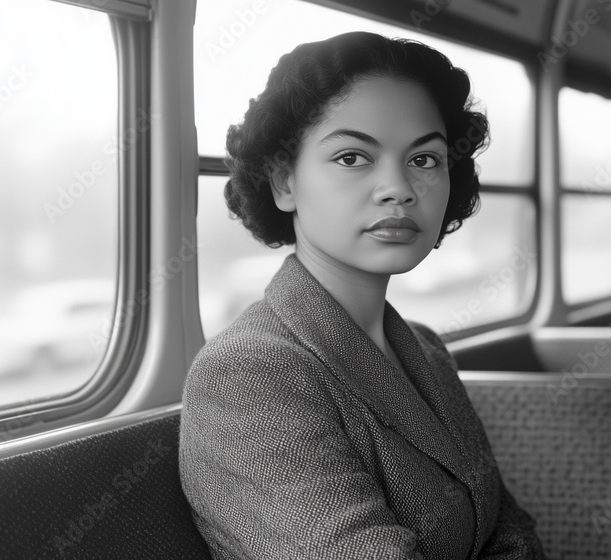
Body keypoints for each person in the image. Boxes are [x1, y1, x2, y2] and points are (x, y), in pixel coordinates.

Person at [179, 31, 547, 559]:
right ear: (284, 182)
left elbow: (509, 532)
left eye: (425, 160)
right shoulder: (247, 375)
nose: (399, 188)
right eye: (352, 157)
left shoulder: (425, 350)